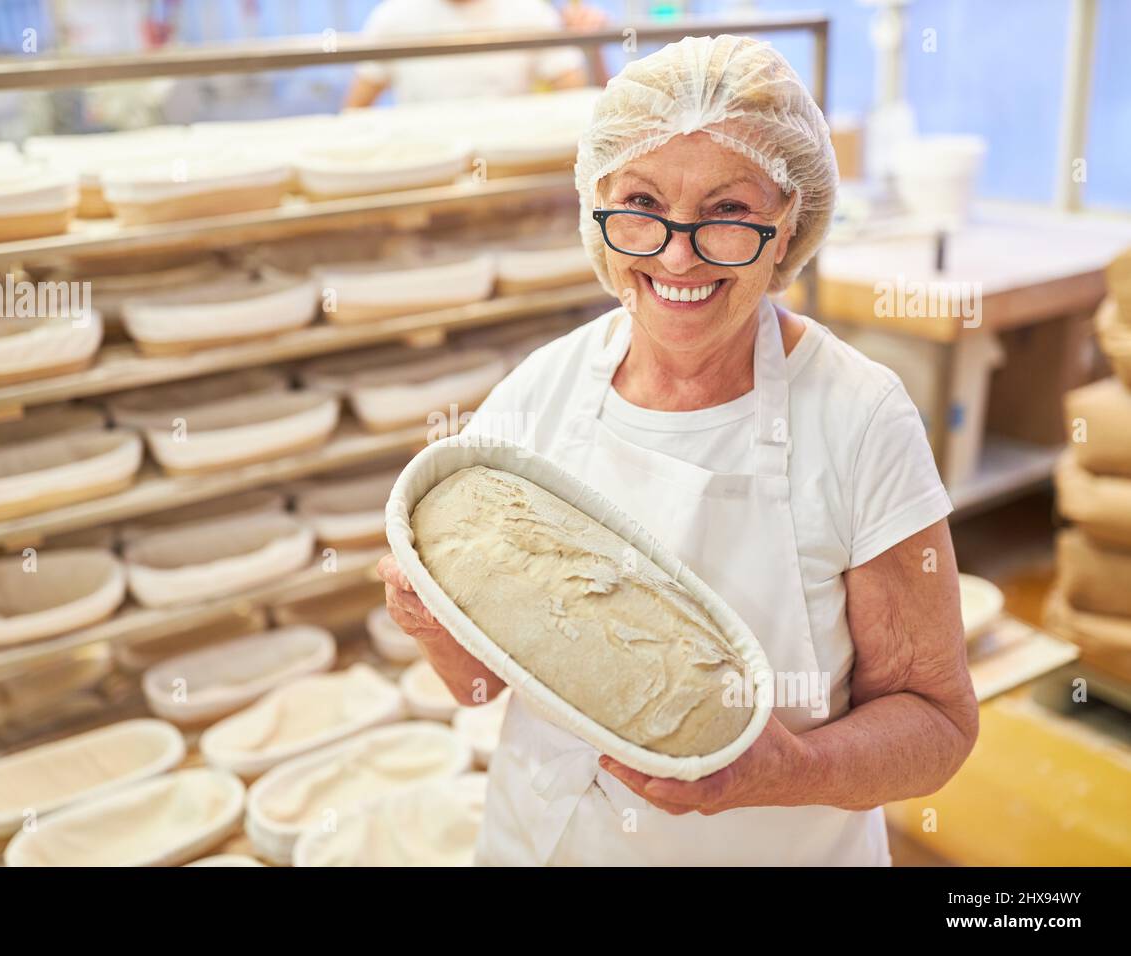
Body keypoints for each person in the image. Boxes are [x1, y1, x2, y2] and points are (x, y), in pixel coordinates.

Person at [378, 33, 979, 866]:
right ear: (598, 205)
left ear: (788, 221)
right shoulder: (540, 394)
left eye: (728, 214)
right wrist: (426, 619)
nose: (675, 254)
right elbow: (480, 686)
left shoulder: (859, 419)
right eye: (642, 206)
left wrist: (784, 769)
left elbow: (939, 726)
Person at [344, 0, 607, 108]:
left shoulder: (529, 9)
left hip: (508, 164)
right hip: (427, 167)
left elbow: (576, 98)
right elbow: (355, 110)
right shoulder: (394, 15)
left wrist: (592, 47)